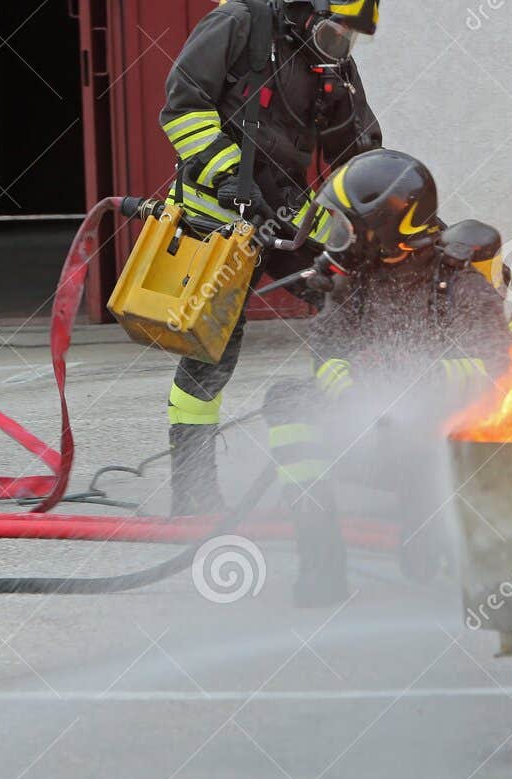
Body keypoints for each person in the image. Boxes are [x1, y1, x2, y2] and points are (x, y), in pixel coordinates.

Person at [159, 0, 382, 515]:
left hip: (282, 208)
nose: (341, 48)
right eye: (334, 33)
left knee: (345, 295)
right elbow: (181, 106)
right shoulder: (239, 24)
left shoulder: (331, 61)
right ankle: (191, 490)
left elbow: (359, 145)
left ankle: (343, 456)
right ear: (302, 11)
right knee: (211, 353)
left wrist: (384, 203)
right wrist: (225, 175)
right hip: (218, 215)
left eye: (352, 38)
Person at [261, 149, 512, 602]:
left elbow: (495, 369)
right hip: (367, 439)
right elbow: (327, 346)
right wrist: (344, 380)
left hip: (438, 458)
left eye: (346, 226)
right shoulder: (358, 281)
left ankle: (430, 536)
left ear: (383, 230)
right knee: (287, 400)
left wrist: (416, 377)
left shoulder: (461, 286)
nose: (338, 239)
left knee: (423, 573)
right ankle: (322, 564)